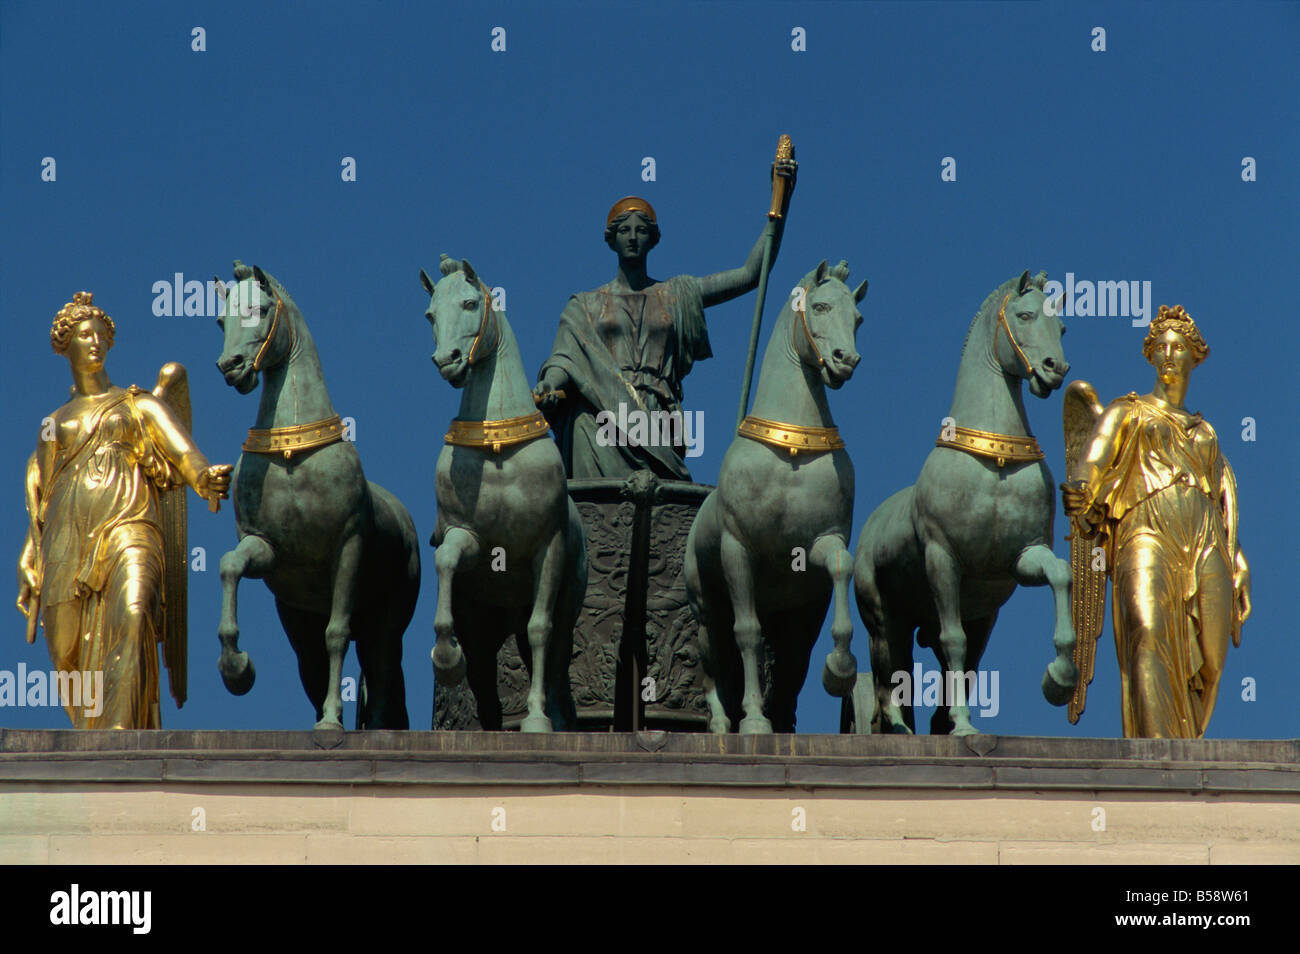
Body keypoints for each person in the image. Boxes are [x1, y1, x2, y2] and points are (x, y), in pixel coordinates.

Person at [16, 292, 231, 728]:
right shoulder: (52, 424)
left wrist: (204, 477)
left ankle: (120, 733)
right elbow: (42, 498)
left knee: (134, 612)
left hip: (130, 525)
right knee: (67, 651)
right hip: (65, 542)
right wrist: (29, 555)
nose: (95, 342)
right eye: (84, 335)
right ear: (66, 346)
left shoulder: (139, 405)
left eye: (101, 335)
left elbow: (185, 455)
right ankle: (91, 742)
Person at [534, 157, 797, 479]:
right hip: (598, 416)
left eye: (641, 230)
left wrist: (779, 205)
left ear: (653, 239)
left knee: (665, 508)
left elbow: (750, 274)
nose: (632, 237)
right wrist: (549, 383)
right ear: (611, 239)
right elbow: (565, 358)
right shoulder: (584, 305)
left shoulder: (677, 294)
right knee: (596, 510)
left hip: (657, 413)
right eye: (624, 230)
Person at [1063, 305, 1250, 738]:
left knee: (1213, 662)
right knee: (1145, 631)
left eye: (1177, 346)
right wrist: (1082, 486)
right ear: (1150, 355)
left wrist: (1236, 558)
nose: (1168, 353)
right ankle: (1155, 752)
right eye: (1160, 346)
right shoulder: (1127, 411)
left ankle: (1188, 750)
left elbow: (1220, 499)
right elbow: (1093, 457)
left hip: (1205, 541)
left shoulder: (1206, 433)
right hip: (1144, 531)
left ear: (1194, 356)